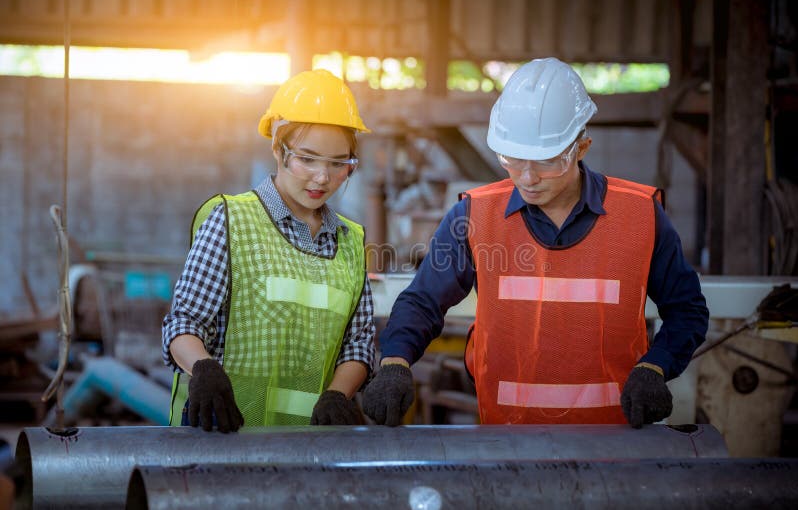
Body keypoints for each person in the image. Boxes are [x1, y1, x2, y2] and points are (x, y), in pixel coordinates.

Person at [363, 57, 709, 428]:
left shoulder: (640, 216)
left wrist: (655, 367)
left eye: (546, 162)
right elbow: (423, 300)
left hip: (615, 442)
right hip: (506, 441)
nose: (527, 177)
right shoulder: (473, 217)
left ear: (582, 148)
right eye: (512, 159)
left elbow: (687, 310)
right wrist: (395, 362)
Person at [162, 69, 375, 431]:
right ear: (278, 149)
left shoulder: (350, 241)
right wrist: (203, 368)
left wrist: (338, 394)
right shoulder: (232, 221)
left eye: (338, 164)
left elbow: (359, 341)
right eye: (307, 159)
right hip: (221, 436)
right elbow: (184, 322)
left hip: (309, 447)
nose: (322, 178)